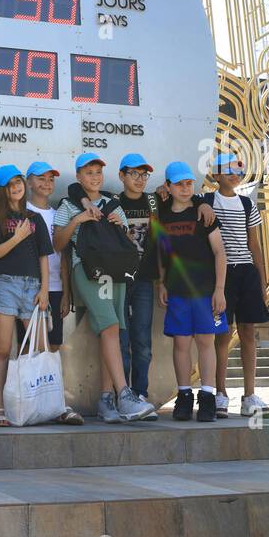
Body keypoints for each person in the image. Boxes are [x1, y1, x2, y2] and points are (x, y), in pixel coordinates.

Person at [54, 154, 155, 423]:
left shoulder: (113, 203)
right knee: (110, 327)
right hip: (87, 270)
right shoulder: (68, 204)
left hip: (116, 271)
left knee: (113, 331)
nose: (95, 177)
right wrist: (78, 221)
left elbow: (126, 239)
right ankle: (124, 394)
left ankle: (106, 399)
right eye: (89, 172)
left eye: (99, 171)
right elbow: (57, 243)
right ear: (78, 176)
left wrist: (118, 226)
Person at [202, 154, 269, 419]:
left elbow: (254, 245)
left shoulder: (246, 203)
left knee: (248, 333)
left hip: (246, 273)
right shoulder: (207, 201)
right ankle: (220, 393)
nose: (234, 174)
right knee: (222, 333)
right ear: (216, 175)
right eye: (227, 169)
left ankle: (249, 394)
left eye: (238, 169)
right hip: (220, 274)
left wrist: (262, 278)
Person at [155, 160, 227, 423]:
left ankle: (207, 396)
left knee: (206, 341)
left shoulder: (203, 212)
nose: (185, 188)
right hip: (177, 290)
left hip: (205, 290)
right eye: (180, 184)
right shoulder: (162, 215)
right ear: (169, 186)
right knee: (181, 343)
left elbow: (220, 251)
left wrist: (220, 289)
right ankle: (184, 395)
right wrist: (161, 282)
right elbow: (163, 254)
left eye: (189, 184)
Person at [0, 164, 51, 427]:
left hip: (33, 287)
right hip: (5, 285)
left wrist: (45, 289)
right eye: (11, 184)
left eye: (19, 182)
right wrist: (17, 237)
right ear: (3, 190)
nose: (17, 187)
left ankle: (44, 404)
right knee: (3, 348)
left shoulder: (34, 218)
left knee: (40, 348)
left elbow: (44, 256)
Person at [22, 160, 83, 424]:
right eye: (40, 179)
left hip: (57, 289)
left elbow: (64, 254)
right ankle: (29, 403)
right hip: (31, 289)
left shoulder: (59, 212)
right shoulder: (22, 211)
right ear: (29, 182)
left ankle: (53, 404)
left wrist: (67, 292)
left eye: (50, 179)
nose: (46, 184)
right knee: (29, 348)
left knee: (53, 345)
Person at [111, 152, 160, 419]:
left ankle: (141, 394)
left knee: (142, 340)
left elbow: (161, 244)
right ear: (122, 176)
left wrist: (161, 280)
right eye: (134, 174)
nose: (140, 180)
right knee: (121, 338)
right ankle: (124, 395)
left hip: (144, 280)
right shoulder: (113, 202)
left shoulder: (153, 201)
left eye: (144, 175)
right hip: (119, 281)